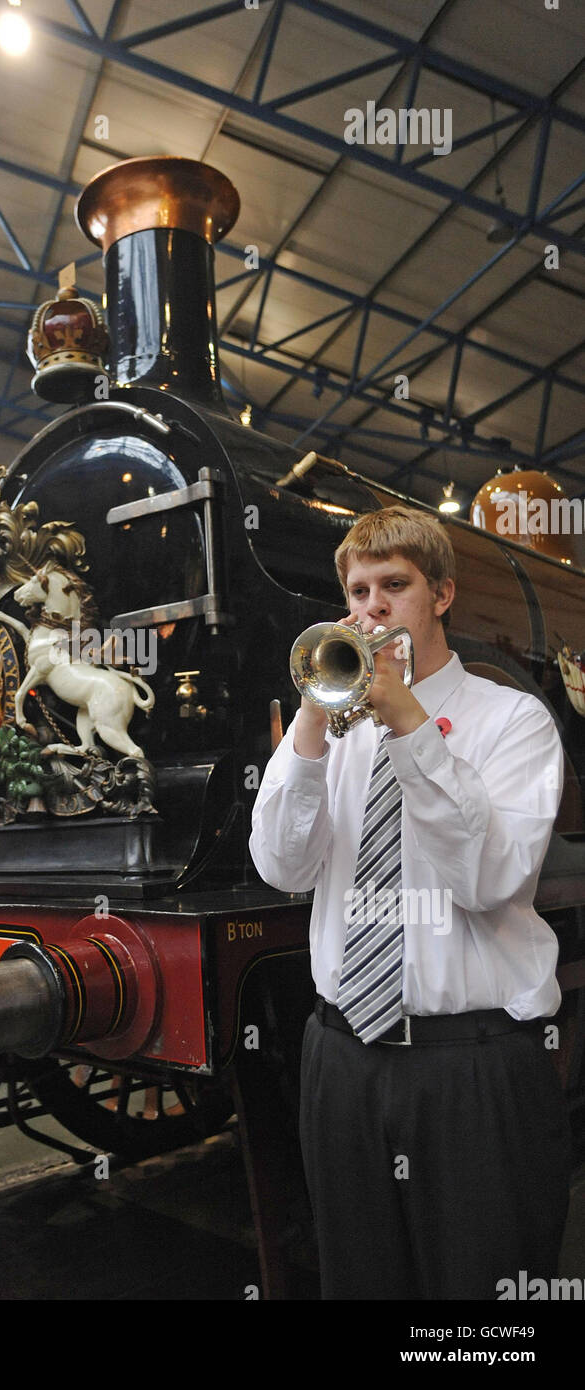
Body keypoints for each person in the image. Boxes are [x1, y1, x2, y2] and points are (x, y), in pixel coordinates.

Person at [249, 504, 571, 1300]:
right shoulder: (334, 731)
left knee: (479, 1292)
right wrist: (311, 731)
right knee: (360, 1279)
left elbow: (485, 879)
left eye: (393, 584)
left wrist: (407, 723)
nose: (371, 606)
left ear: (441, 596)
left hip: (470, 1065)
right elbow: (277, 863)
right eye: (357, 590)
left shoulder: (512, 722)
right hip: (342, 1057)